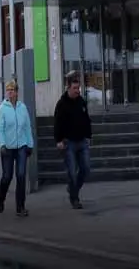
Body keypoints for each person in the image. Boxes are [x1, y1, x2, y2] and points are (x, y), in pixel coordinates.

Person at [0, 78, 34, 217]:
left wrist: (30, 144)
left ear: (17, 92)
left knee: (21, 175)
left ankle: (20, 206)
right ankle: (1, 199)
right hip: (8, 147)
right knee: (7, 176)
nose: (10, 93)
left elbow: (27, 127)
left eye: (12, 90)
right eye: (8, 90)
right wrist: (2, 144)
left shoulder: (22, 108)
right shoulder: (2, 108)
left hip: (21, 146)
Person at [53, 70, 92, 209]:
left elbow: (87, 120)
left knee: (86, 168)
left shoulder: (81, 101)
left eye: (78, 88)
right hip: (68, 142)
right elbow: (57, 123)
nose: (77, 91)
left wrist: (89, 136)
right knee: (71, 172)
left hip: (82, 141)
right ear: (68, 88)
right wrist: (58, 140)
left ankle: (73, 189)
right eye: (75, 88)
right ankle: (74, 198)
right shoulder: (62, 104)